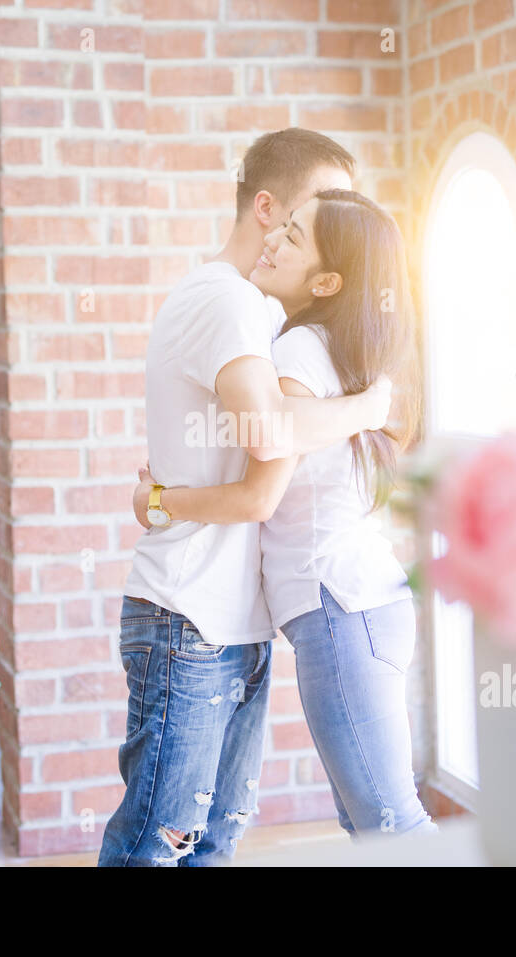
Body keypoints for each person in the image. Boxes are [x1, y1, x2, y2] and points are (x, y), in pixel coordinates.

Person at [98, 131, 394, 867]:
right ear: (268, 209)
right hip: (189, 617)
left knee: (210, 845)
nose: (324, 221)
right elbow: (270, 444)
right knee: (153, 844)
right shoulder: (226, 301)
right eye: (312, 210)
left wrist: (165, 496)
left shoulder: (265, 315)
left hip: (231, 623)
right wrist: (372, 406)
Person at [132, 188, 436, 841]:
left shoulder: (299, 351)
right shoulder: (338, 349)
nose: (272, 239)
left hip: (338, 607)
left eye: (294, 237)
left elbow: (260, 489)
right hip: (357, 605)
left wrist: (159, 502)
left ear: (327, 280)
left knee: (390, 825)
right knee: (373, 822)